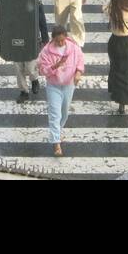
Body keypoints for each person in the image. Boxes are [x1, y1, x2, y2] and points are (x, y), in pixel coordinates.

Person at [37, 25, 84, 157]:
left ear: (66, 37)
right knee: (54, 114)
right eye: (58, 41)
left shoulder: (73, 48)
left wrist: (78, 73)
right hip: (54, 85)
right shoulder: (46, 52)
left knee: (64, 112)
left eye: (62, 40)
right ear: (53, 40)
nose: (60, 43)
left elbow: (80, 60)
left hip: (69, 85)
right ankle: (56, 143)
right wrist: (56, 65)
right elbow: (43, 70)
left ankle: (58, 131)